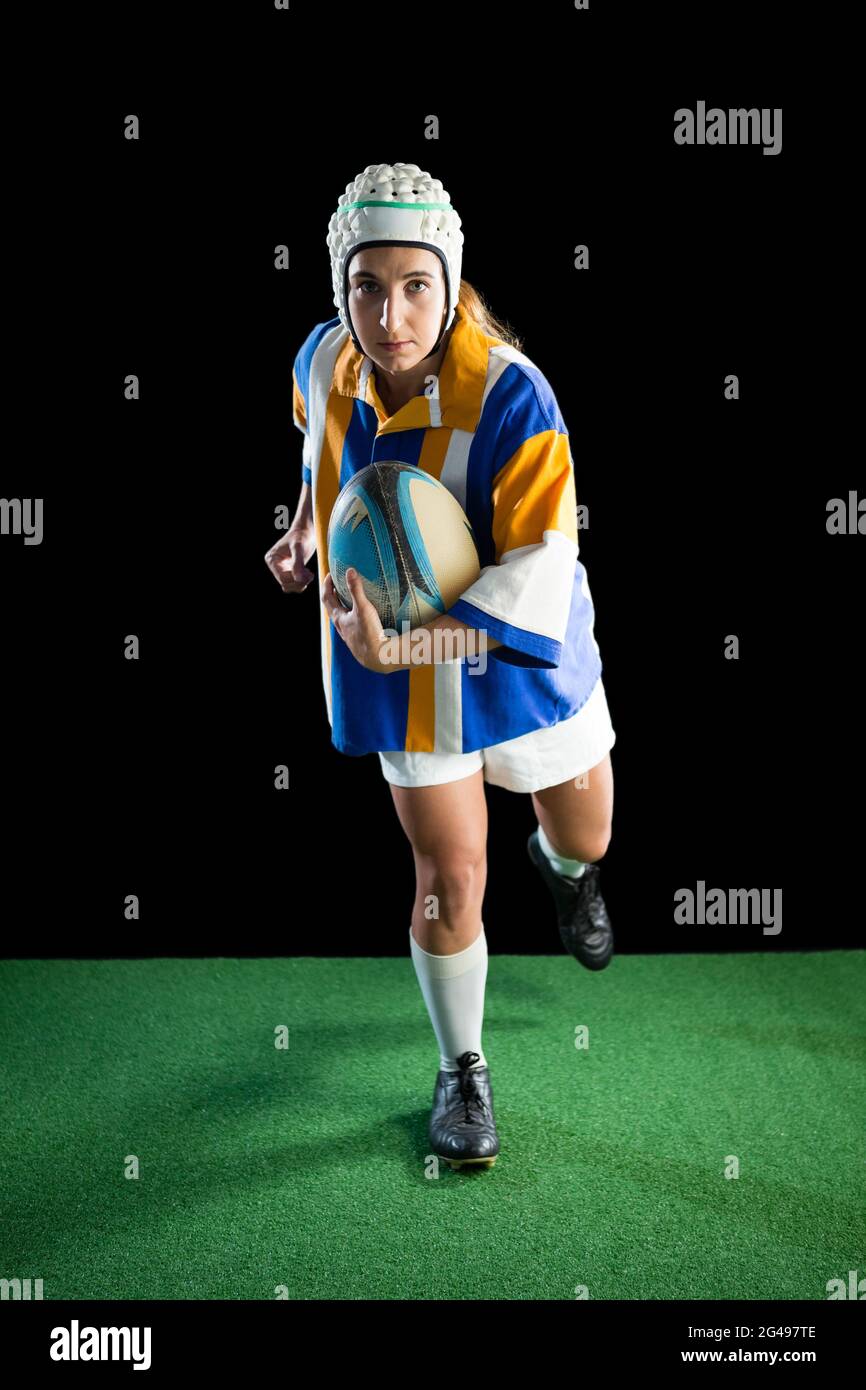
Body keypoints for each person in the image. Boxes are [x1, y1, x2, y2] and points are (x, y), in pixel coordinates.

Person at [264, 162, 616, 1170]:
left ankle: (562, 870)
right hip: (391, 661)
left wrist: (411, 638)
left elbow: (539, 580)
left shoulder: (514, 400)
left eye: (414, 285)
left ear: (450, 283)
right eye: (365, 286)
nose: (389, 313)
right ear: (339, 290)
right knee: (446, 873)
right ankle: (462, 1068)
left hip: (517, 652)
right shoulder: (319, 359)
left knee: (584, 825)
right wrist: (300, 535)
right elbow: (315, 454)